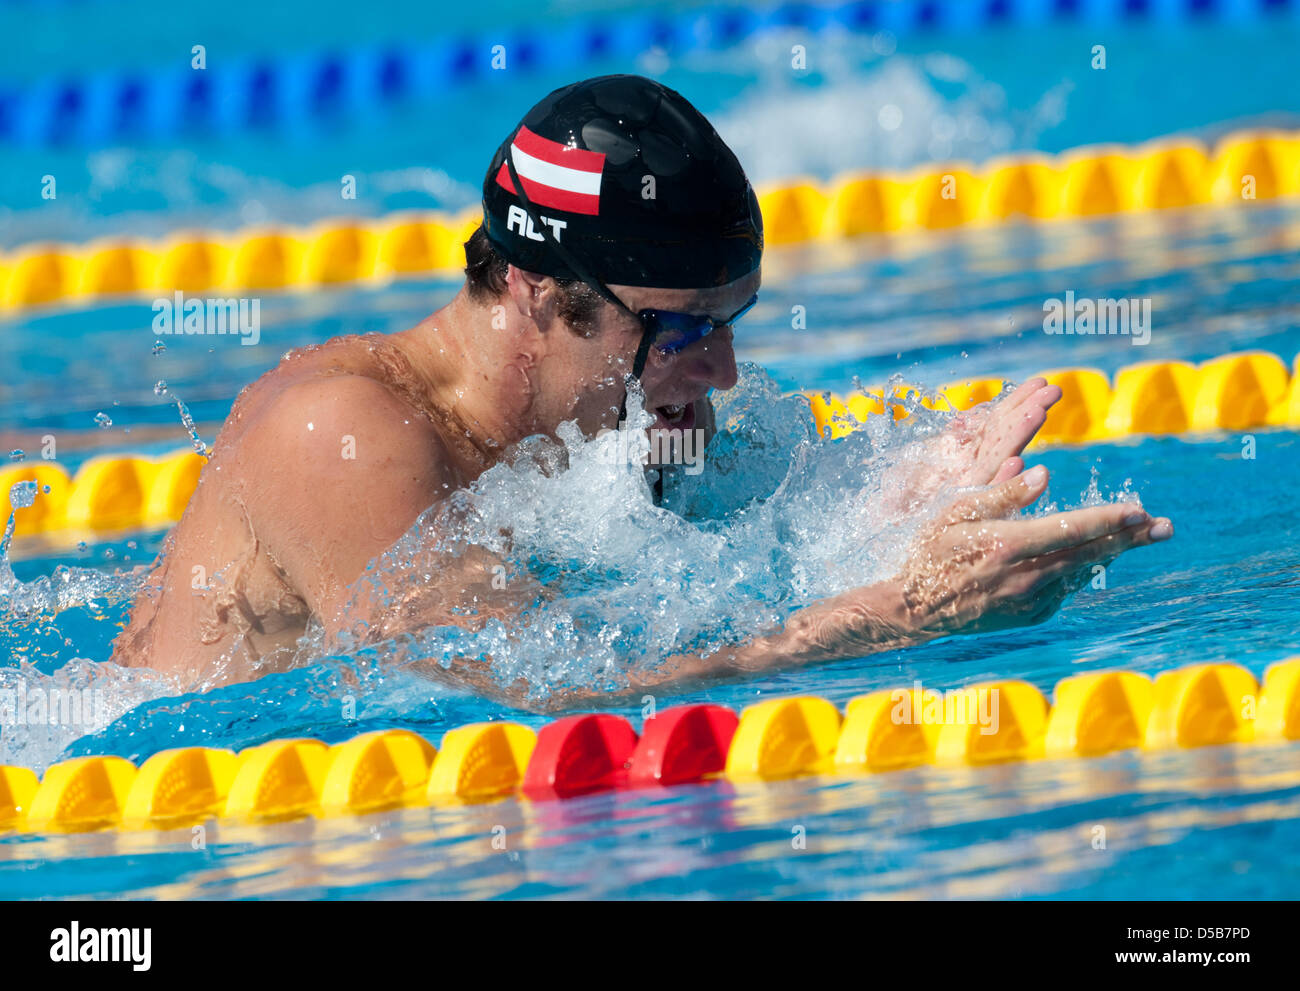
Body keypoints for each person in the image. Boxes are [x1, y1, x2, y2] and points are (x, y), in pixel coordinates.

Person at [112, 74, 1173, 703]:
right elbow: (543, 696)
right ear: (533, 293)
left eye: (728, 324)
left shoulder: (618, 414)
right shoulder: (341, 434)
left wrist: (890, 513)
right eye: (678, 329)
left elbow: (707, 589)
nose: (717, 371)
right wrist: (895, 612)